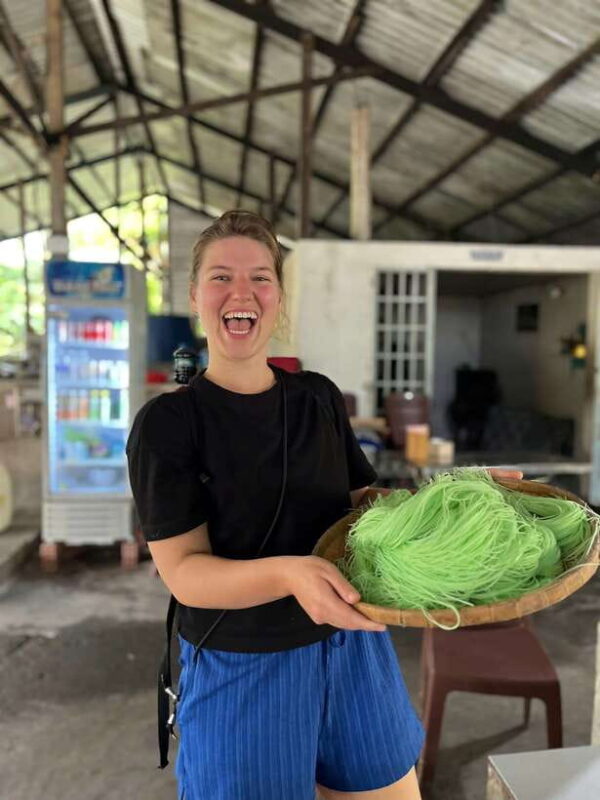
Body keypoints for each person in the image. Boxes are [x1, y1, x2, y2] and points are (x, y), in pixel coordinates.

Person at [126, 210, 522, 800]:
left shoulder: (317, 397)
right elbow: (185, 574)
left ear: (279, 297)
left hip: (353, 647)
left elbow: (364, 506)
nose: (242, 292)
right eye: (221, 277)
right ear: (194, 296)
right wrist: (292, 573)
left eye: (261, 277)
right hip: (243, 665)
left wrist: (454, 498)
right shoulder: (170, 424)